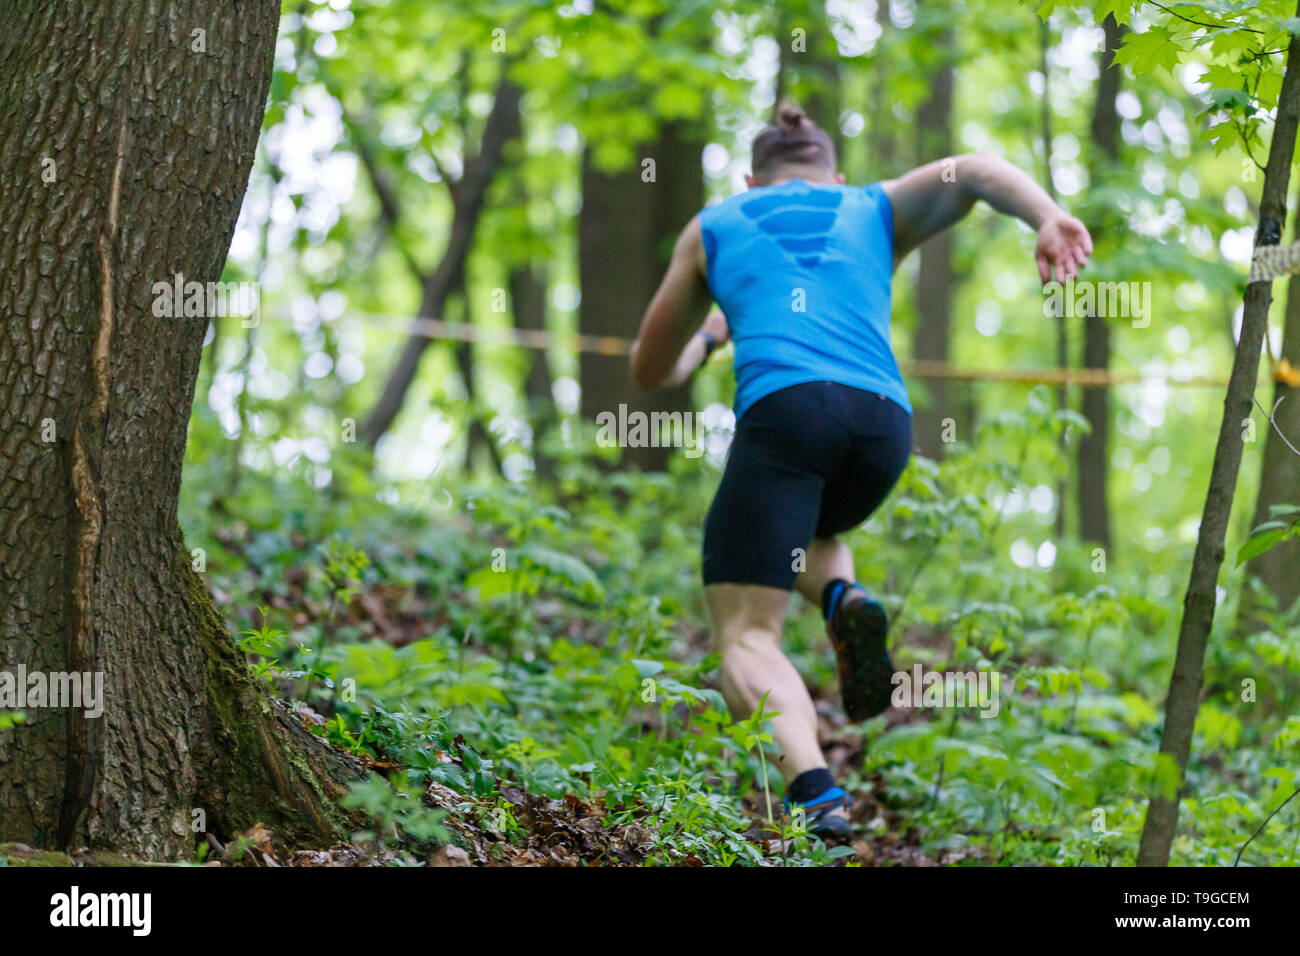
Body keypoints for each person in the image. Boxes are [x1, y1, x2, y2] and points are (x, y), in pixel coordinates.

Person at [629, 101, 1092, 836]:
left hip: (785, 417)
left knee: (747, 636)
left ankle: (818, 799)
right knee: (810, 530)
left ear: (752, 178)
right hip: (882, 427)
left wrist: (708, 338)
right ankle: (841, 594)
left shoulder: (715, 225)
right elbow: (970, 172)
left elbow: (651, 369)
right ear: (833, 174)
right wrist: (1048, 215)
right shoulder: (872, 205)